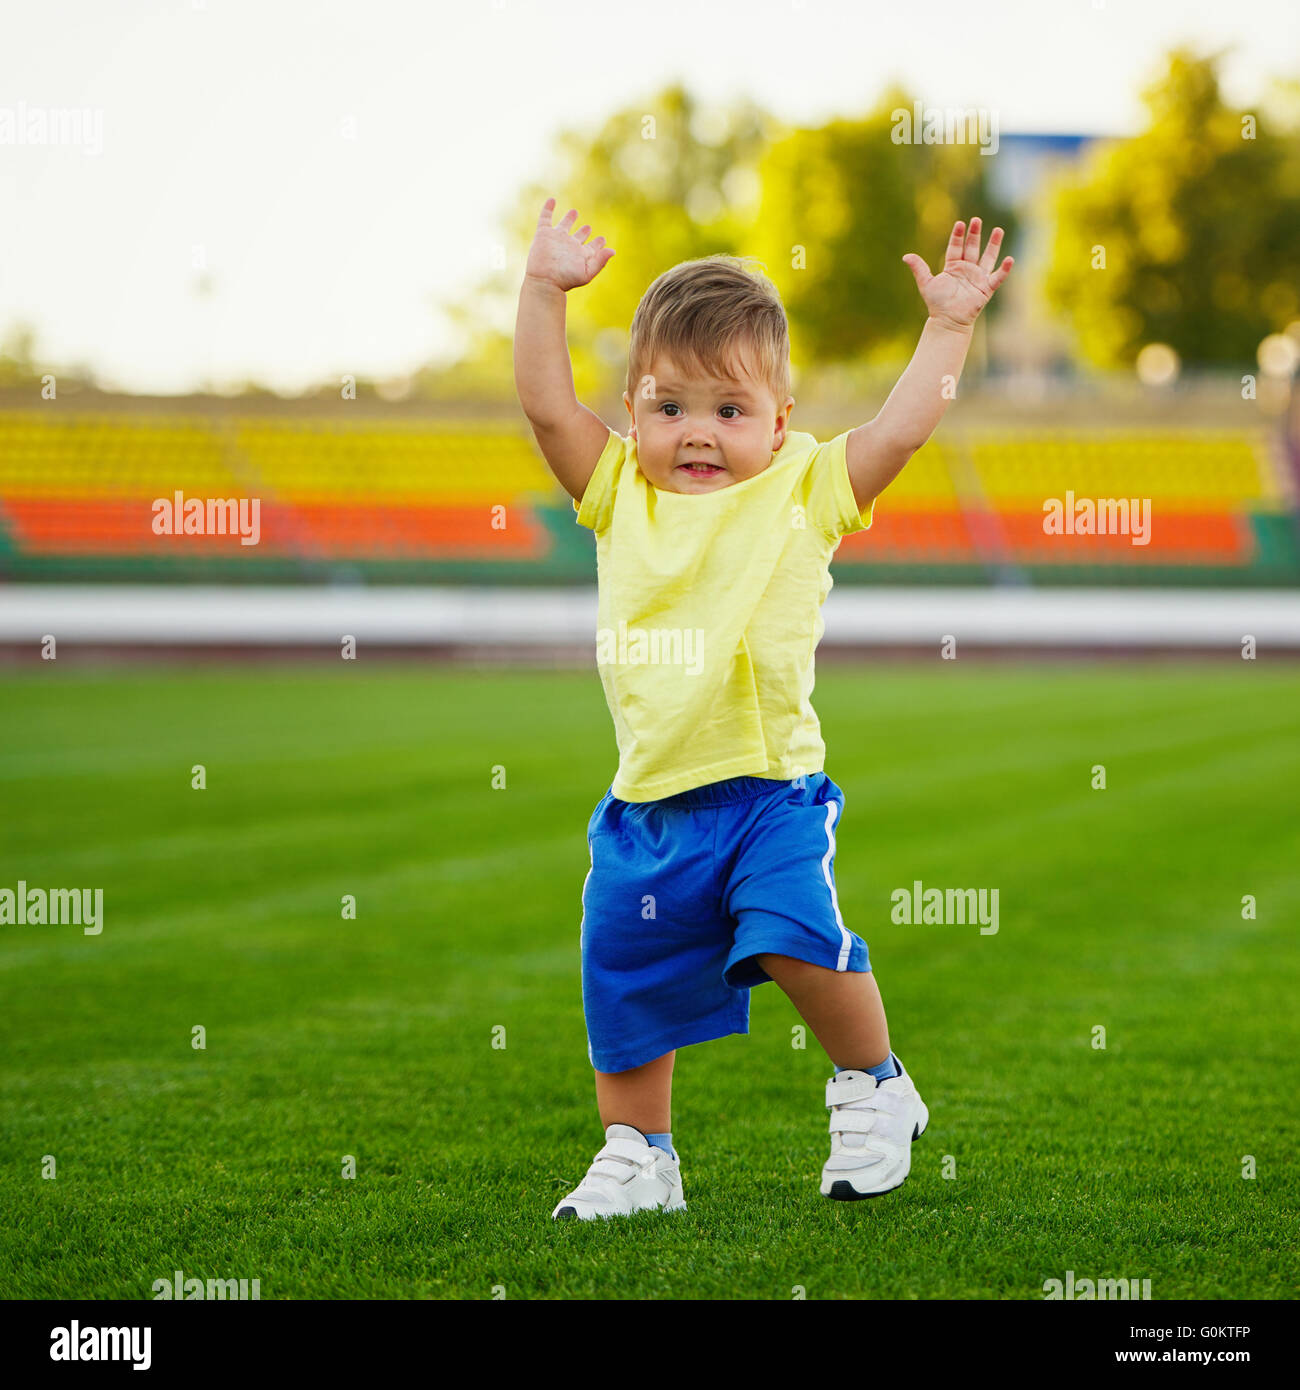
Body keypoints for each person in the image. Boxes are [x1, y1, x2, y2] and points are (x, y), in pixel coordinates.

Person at [512, 198, 1012, 1218]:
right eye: (669, 407)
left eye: (729, 411)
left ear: (779, 421)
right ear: (635, 412)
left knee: (791, 933)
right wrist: (540, 291)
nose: (697, 432)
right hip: (647, 804)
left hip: (767, 793)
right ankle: (638, 1154)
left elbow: (901, 428)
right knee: (623, 976)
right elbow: (547, 408)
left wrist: (949, 326)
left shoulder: (804, 487)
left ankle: (874, 1083)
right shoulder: (617, 491)